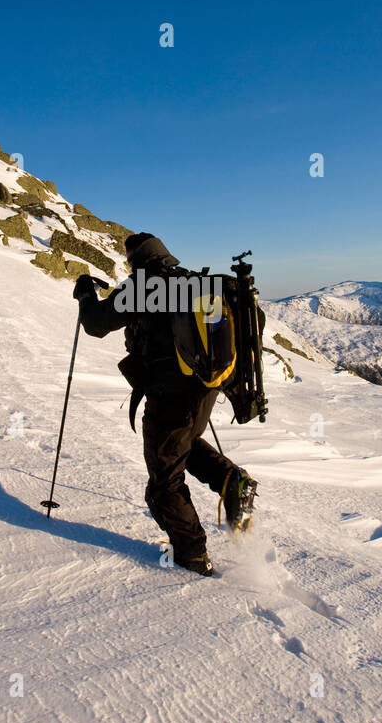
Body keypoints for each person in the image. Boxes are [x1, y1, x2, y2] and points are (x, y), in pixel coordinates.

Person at [74, 232, 258, 577]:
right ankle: (230, 480)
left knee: (163, 480)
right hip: (203, 390)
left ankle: (192, 555)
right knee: (179, 445)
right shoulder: (190, 282)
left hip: (170, 395)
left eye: (129, 259)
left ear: (138, 258)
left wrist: (86, 294)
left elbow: (96, 324)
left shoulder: (142, 287)